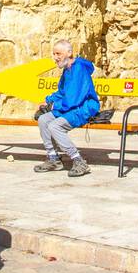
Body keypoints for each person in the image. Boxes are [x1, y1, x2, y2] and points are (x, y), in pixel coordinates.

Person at [34, 39, 100, 177]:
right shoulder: (67, 69)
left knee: (55, 126)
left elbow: (73, 99)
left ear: (69, 53)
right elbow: (62, 92)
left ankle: (78, 161)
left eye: (58, 54)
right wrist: (47, 101)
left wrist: (53, 106)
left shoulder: (79, 69)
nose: (55, 57)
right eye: (54, 54)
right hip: (71, 107)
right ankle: (53, 158)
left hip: (84, 108)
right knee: (43, 120)